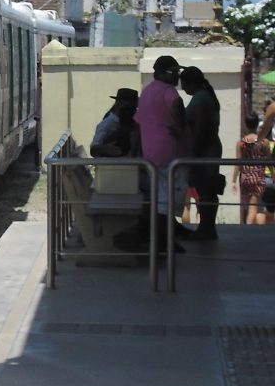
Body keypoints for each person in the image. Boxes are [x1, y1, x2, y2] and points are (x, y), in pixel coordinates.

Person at [133, 55, 190, 250]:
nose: (177, 76)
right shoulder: (169, 92)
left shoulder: (147, 91)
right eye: (174, 72)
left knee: (160, 198)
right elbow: (177, 108)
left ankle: (166, 236)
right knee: (167, 201)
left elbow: (139, 120)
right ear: (161, 73)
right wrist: (181, 125)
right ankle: (163, 241)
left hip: (151, 153)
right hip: (169, 154)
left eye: (177, 72)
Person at [180, 65, 222, 240]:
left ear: (190, 83)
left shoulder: (199, 99)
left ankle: (205, 229)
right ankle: (208, 228)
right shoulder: (206, 96)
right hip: (210, 148)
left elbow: (199, 129)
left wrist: (193, 152)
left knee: (205, 191)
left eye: (183, 83)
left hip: (203, 151)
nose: (182, 88)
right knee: (207, 190)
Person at [232, 113, 270, 225]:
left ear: (246, 124)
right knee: (255, 207)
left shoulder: (241, 143)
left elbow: (238, 163)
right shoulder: (264, 142)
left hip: (245, 177)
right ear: (258, 123)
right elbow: (268, 162)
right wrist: (273, 175)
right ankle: (250, 231)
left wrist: (233, 180)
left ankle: (249, 229)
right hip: (258, 176)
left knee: (250, 206)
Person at [90, 88, 140, 157]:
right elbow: (93, 149)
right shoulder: (107, 123)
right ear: (121, 104)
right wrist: (105, 149)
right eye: (132, 106)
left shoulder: (133, 123)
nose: (135, 110)